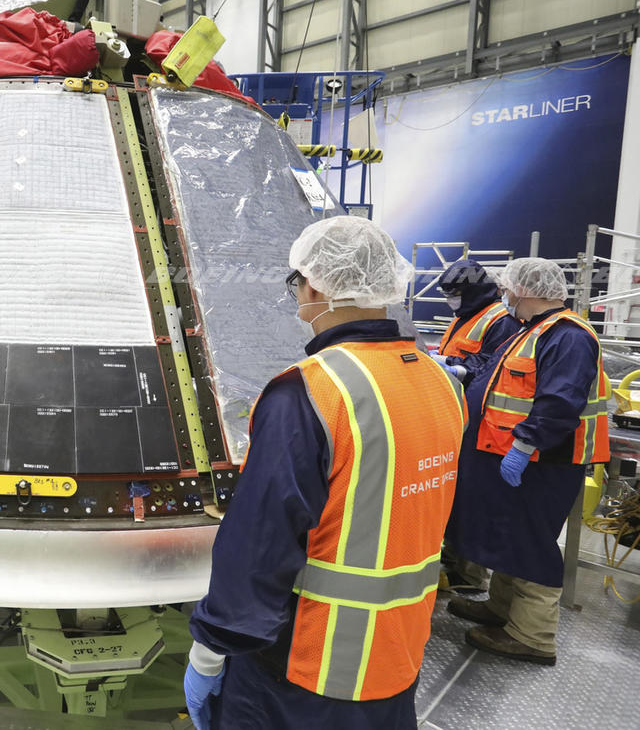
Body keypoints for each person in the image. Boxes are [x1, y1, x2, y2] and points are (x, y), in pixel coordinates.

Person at [184, 215, 468, 730]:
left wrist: (211, 649)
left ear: (314, 285)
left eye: (297, 285)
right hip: (397, 653)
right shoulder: (439, 381)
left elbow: (260, 542)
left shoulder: (309, 393)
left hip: (303, 666)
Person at [444, 257, 609, 665]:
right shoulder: (531, 330)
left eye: (508, 287)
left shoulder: (568, 336)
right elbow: (500, 376)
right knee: (512, 536)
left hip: (543, 461)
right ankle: (503, 611)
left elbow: (559, 402)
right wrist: (463, 372)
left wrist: (523, 447)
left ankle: (532, 636)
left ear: (526, 290)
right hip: (517, 456)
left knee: (532, 542)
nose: (505, 293)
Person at [431, 260, 521, 593]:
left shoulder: (500, 321)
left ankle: (469, 577)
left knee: (471, 501)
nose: (451, 300)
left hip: (482, 424)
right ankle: (454, 565)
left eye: (455, 293)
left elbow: (490, 367)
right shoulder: (464, 317)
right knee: (453, 497)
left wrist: (452, 367)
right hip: (454, 418)